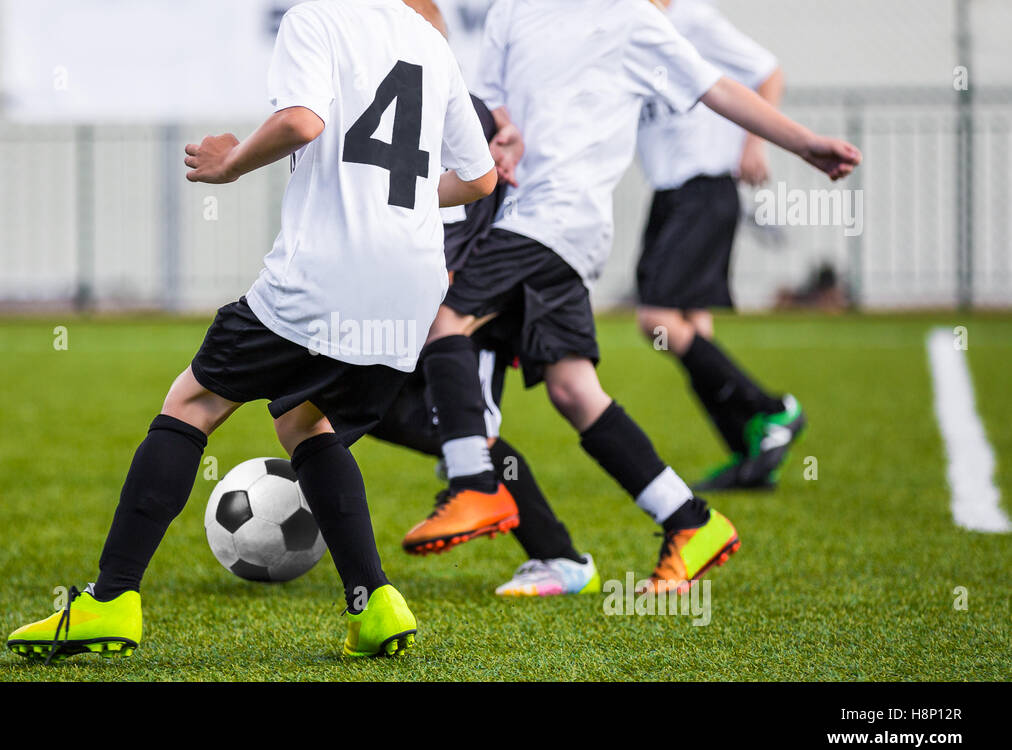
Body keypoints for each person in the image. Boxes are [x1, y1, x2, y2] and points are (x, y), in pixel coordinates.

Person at [5, 0, 497, 661]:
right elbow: (479, 178)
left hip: (327, 273)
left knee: (193, 401)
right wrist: (392, 200)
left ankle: (109, 600)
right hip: (410, 287)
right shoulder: (430, 40)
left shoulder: (314, 18)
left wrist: (230, 163)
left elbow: (301, 120)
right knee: (303, 417)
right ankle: (374, 603)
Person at [402, 0, 861, 594]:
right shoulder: (511, 11)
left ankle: (474, 485)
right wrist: (504, 135)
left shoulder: (630, 19)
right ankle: (690, 522)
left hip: (559, 221)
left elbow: (718, 88)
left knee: (446, 319)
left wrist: (801, 143)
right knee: (573, 390)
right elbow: (489, 105)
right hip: (515, 218)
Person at [369, 0, 601, 598]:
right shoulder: (383, 103)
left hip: (467, 309)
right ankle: (462, 481)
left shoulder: (458, 109)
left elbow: (477, 203)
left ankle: (560, 556)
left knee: (470, 431)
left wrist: (453, 278)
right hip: (403, 307)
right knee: (380, 412)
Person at [635, 0, 805, 491]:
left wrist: (754, 143)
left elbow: (769, 72)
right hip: (670, 194)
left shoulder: (692, 19)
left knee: (657, 321)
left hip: (704, 188)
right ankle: (750, 452)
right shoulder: (631, 27)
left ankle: (772, 410)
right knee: (693, 329)